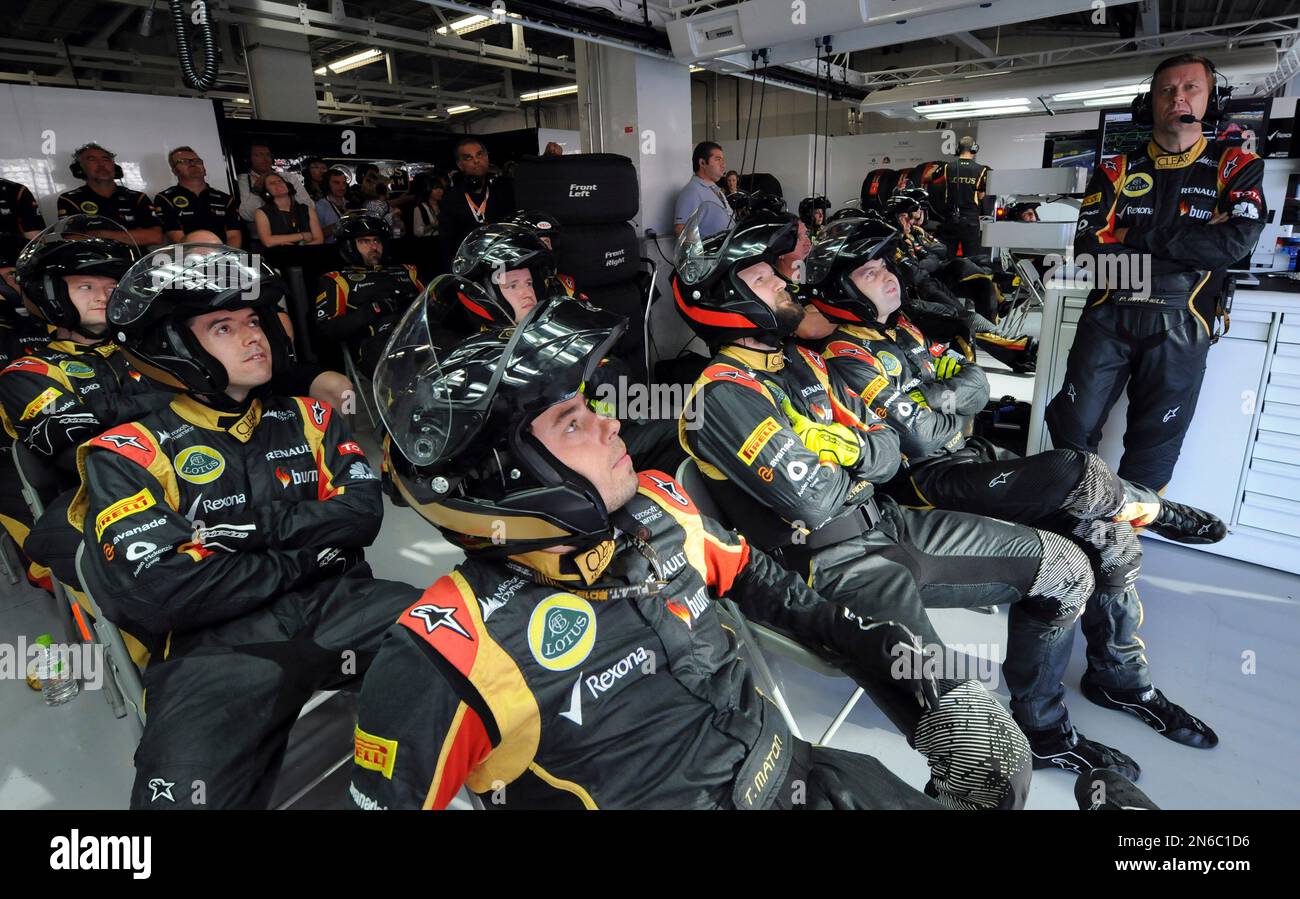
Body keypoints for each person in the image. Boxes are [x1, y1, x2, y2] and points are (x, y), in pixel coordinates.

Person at [351, 284, 997, 810]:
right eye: (574, 422)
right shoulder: (449, 648)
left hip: (801, 773)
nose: (609, 422)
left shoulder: (660, 506)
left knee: (996, 767)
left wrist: (873, 639)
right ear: (506, 478)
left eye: (590, 405)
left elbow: (764, 586)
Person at [673, 212, 1090, 791]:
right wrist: (859, 453)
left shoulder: (801, 362)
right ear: (727, 302)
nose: (786, 285)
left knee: (1066, 568)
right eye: (767, 280)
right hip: (830, 571)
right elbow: (815, 502)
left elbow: (893, 452)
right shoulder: (721, 395)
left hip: (890, 524)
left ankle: (1043, 726)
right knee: (990, 761)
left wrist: (845, 450)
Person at [799, 217, 1224, 759]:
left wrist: (939, 398)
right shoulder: (846, 356)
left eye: (886, 265)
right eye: (869, 271)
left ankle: (1119, 679)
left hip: (970, 459)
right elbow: (926, 437)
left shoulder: (904, 332)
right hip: (927, 485)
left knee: (1108, 541)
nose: (887, 277)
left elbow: (976, 382)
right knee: (1077, 470)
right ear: (839, 288)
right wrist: (944, 399)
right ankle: (1155, 509)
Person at [70, 243, 415, 809]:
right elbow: (166, 594)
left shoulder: (312, 416)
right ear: (172, 347)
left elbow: (363, 516)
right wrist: (312, 554)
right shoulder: (125, 453)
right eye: (223, 327)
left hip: (343, 606)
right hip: (215, 650)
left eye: (253, 320)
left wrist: (236, 540)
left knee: (489, 660)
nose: (254, 337)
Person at [1046, 53, 1266, 492]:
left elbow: (1233, 245)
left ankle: (1124, 541)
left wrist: (1130, 235)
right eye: (1166, 90)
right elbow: (1090, 254)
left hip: (1183, 323)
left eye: (1191, 88)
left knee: (1154, 449)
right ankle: (1071, 523)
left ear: (1211, 100)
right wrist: (1194, 245)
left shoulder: (1235, 165)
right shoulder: (1115, 168)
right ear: (1150, 101)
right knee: (1071, 425)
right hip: (1109, 316)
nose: (1177, 97)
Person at [0, 219, 174, 587]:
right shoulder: (28, 370)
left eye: (112, 287)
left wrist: (106, 410)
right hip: (99, 502)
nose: (103, 296)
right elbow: (70, 444)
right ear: (52, 296)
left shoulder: (152, 349)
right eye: (86, 286)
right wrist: (168, 399)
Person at [315, 214, 424, 378]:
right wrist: (375, 309)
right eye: (365, 241)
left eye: (376, 241)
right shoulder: (337, 280)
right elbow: (329, 330)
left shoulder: (408, 271)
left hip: (421, 333)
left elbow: (436, 301)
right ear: (350, 246)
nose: (373, 247)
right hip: (376, 344)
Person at [56, 144, 162, 248]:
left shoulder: (137, 197)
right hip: (94, 262)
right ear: (79, 169)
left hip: (137, 262)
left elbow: (155, 237)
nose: (101, 164)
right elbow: (71, 240)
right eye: (91, 159)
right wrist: (133, 236)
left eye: (106, 159)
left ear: (115, 167)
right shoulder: (70, 199)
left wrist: (100, 234)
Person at [440, 137, 516, 253]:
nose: (476, 160)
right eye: (468, 158)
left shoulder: (503, 190)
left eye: (479, 155)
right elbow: (447, 242)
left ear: (487, 157)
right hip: (467, 263)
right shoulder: (451, 198)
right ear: (460, 165)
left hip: (502, 259)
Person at [155, 146, 241, 247]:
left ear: (204, 169)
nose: (192, 163)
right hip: (188, 257)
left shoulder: (226, 199)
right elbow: (178, 239)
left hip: (223, 257)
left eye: (197, 160)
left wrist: (225, 258)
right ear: (175, 171)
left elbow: (234, 236)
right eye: (184, 161)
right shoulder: (165, 198)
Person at [937, 136, 990, 260]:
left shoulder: (947, 167)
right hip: (970, 221)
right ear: (974, 149)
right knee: (971, 260)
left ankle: (947, 279)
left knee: (947, 258)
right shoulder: (981, 170)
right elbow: (981, 195)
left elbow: (935, 181)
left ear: (958, 149)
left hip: (951, 219)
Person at [236, 143, 312, 224]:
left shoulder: (288, 177)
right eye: (259, 155)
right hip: (260, 235)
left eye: (268, 155)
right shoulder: (243, 179)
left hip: (295, 228)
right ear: (249, 159)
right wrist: (256, 190)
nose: (265, 158)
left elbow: (309, 206)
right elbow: (248, 215)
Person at [673, 141, 732, 239]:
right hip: (711, 253)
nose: (723, 164)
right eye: (718, 159)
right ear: (702, 163)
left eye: (722, 160)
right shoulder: (692, 192)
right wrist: (702, 254)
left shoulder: (717, 190)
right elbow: (681, 230)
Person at [253, 172, 323, 248]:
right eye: (272, 183)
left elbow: (319, 240)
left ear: (288, 186)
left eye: (280, 181)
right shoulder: (261, 212)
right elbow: (268, 242)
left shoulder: (307, 209)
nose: (278, 184)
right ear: (266, 193)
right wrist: (302, 235)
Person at [314, 169, 351, 243]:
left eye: (344, 183)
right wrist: (341, 222)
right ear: (326, 185)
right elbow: (318, 235)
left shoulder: (349, 203)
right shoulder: (320, 206)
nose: (342, 187)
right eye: (336, 183)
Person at [410, 173, 446, 239]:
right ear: (428, 189)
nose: (439, 191)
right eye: (435, 188)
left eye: (441, 188)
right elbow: (417, 232)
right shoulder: (420, 208)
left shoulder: (445, 206)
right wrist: (431, 226)